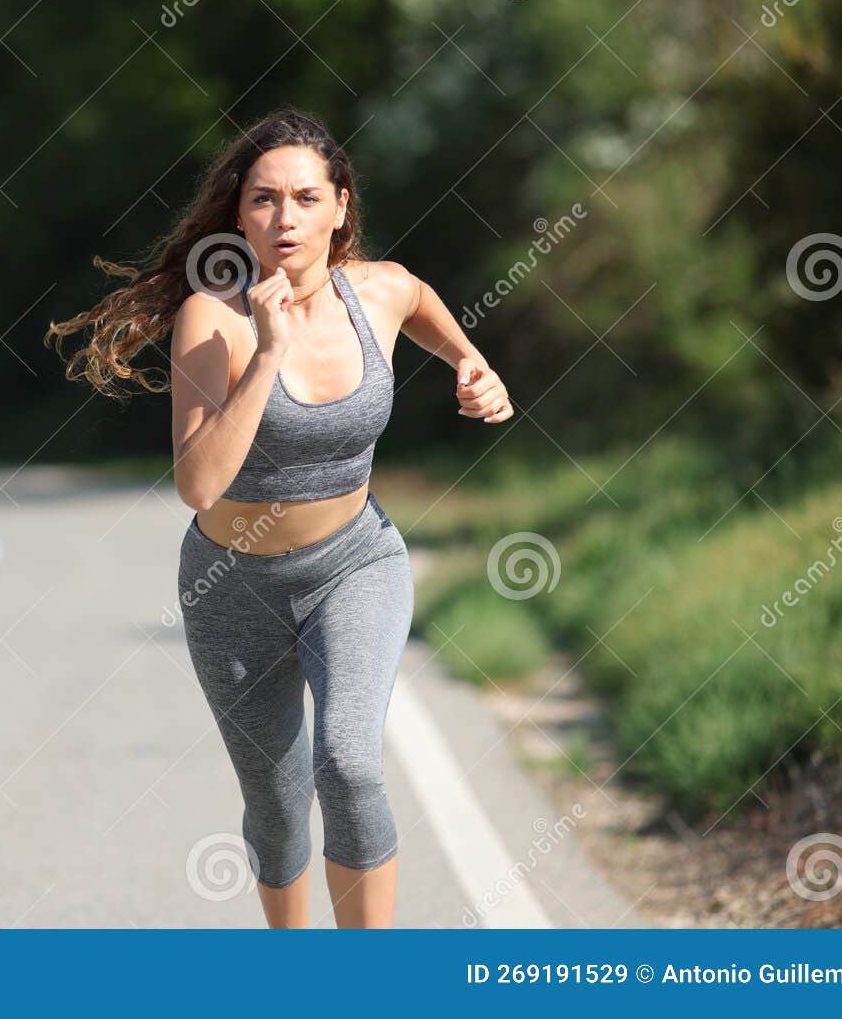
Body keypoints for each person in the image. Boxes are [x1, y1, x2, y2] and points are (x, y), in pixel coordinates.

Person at [45, 106, 513, 928]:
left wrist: (477, 371)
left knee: (351, 763)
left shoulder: (384, 290)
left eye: (304, 197)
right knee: (276, 798)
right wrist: (266, 351)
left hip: (355, 563)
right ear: (239, 214)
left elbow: (434, 314)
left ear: (340, 205)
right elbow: (199, 483)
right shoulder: (212, 319)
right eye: (263, 199)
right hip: (234, 587)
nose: (284, 218)